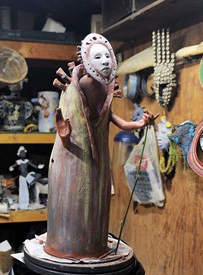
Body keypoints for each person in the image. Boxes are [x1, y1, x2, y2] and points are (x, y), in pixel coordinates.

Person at [45, 33, 158, 259]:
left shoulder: (105, 93)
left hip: (97, 166)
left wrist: (141, 123)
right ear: (87, 61)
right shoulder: (75, 89)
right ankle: (63, 247)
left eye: (108, 56)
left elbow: (120, 122)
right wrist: (65, 135)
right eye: (98, 57)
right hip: (71, 160)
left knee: (95, 207)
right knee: (70, 205)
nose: (105, 61)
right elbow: (66, 121)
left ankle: (90, 246)